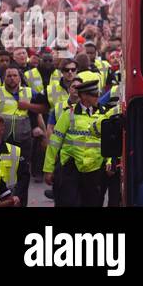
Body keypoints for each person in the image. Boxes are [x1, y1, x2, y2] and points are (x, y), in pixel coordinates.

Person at [44, 71, 109, 207]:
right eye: (94, 94)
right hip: (70, 168)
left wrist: (109, 161)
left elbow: (109, 142)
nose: (98, 97)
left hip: (94, 169)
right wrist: (48, 169)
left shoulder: (104, 115)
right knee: (67, 203)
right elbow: (54, 142)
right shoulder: (69, 114)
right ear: (84, 96)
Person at [0, 114, 28, 207]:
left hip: (10, 200)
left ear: (2, 130)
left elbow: (24, 177)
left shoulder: (15, 151)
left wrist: (18, 195)